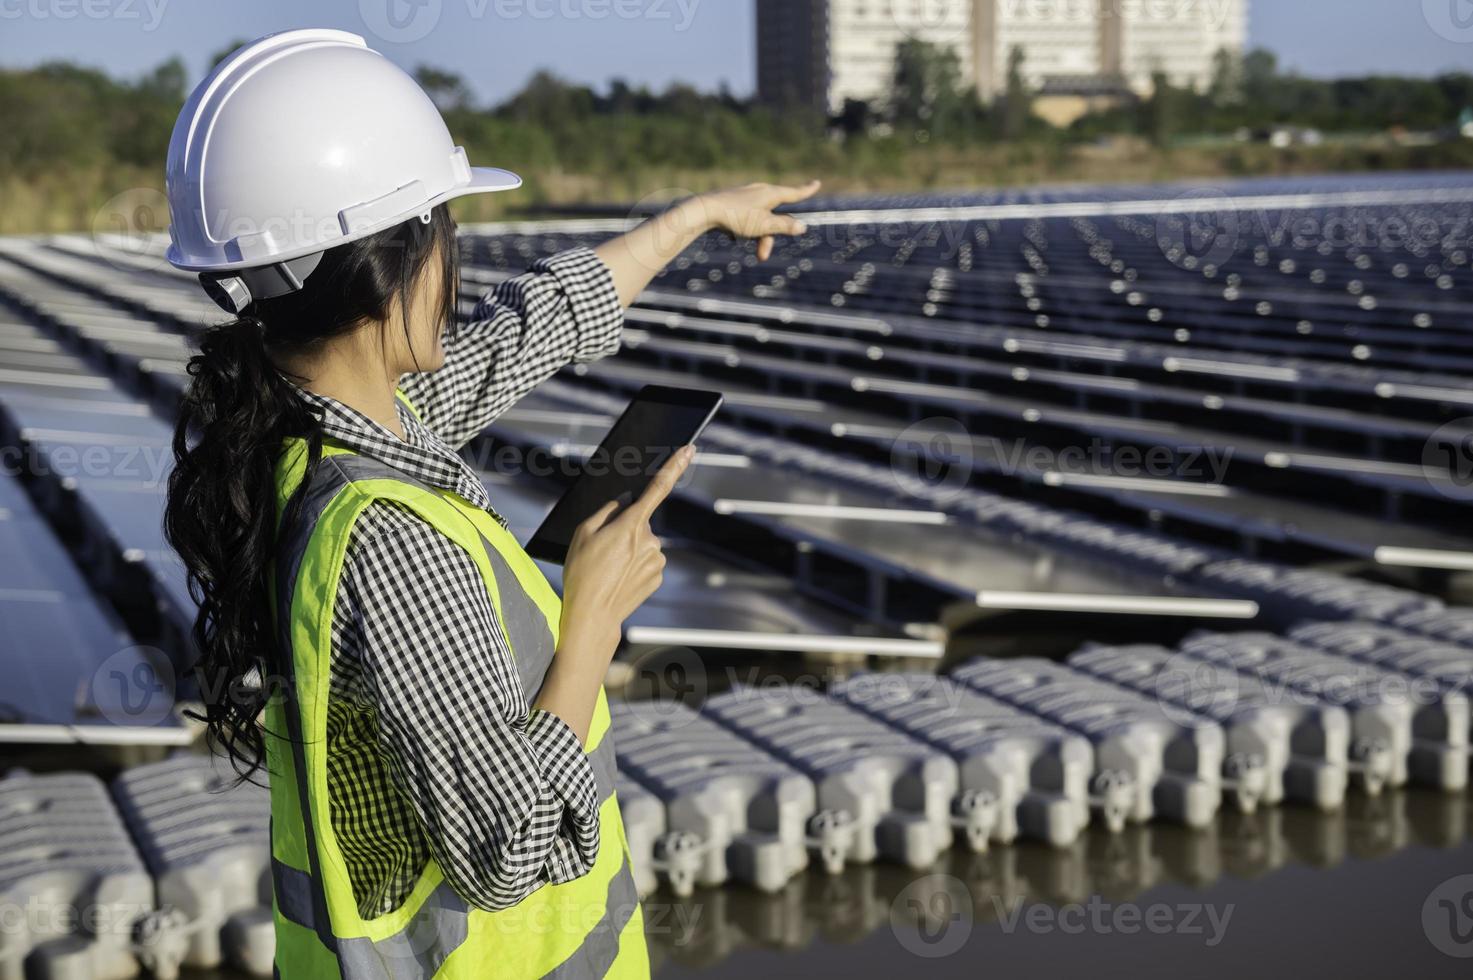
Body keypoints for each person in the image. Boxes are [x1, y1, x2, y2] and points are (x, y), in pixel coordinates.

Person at [161, 29, 818, 980]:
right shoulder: (391, 542)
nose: (454, 272)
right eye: (441, 232)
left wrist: (693, 219)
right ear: (387, 261)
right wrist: (592, 617)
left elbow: (530, 329)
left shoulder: (303, 438)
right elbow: (505, 847)